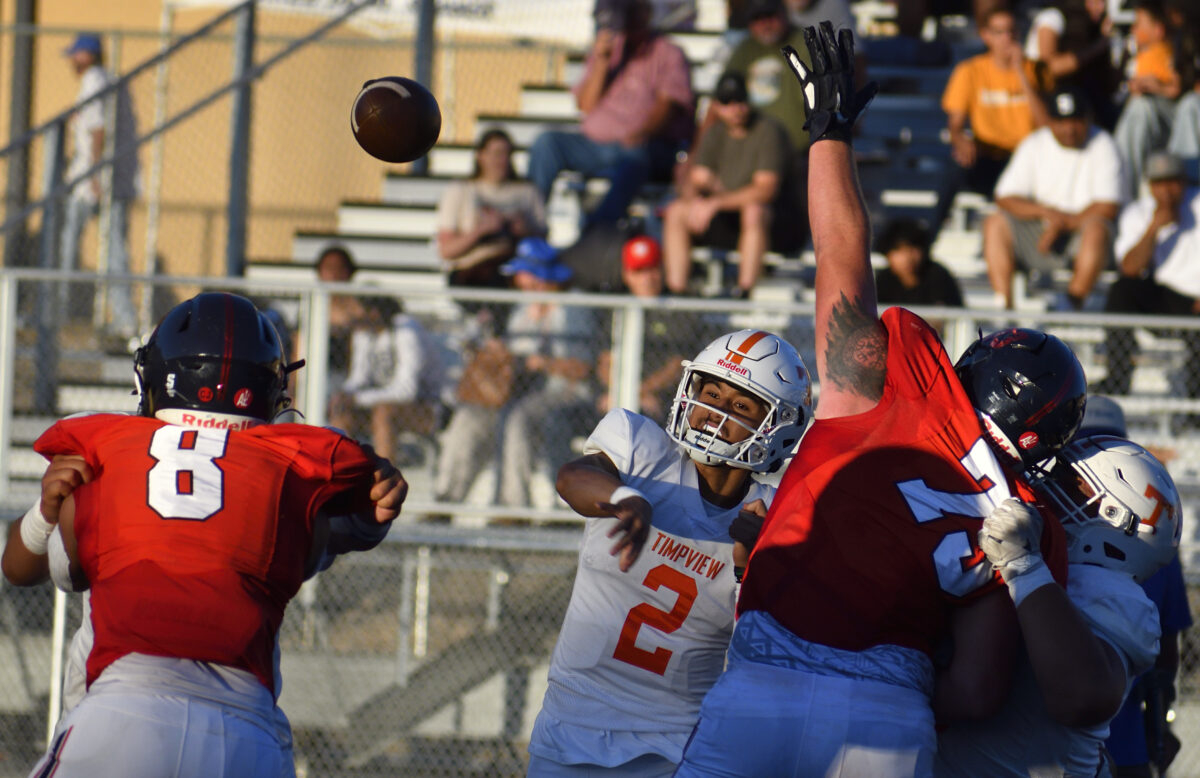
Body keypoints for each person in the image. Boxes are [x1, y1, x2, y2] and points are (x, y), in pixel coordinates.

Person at [674, 24, 1087, 777]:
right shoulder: (1023, 516)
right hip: (887, 713)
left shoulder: (877, 400)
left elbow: (840, 253)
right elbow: (977, 690)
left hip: (759, 686)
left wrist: (830, 133)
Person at [0, 292, 408, 777]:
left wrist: (49, 511)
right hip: (244, 727)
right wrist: (376, 496)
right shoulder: (288, 477)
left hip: (120, 711)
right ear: (271, 391)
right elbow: (346, 530)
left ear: (150, 378)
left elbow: (22, 568)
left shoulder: (108, 457)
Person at [527, 329, 813, 776]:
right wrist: (623, 497)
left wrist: (752, 562)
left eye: (739, 407)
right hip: (573, 730)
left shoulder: (774, 516)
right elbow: (572, 478)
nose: (714, 412)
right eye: (711, 392)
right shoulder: (640, 452)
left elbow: (772, 657)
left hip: (684, 745)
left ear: (778, 427)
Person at [936, 432, 1183, 777]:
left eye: (1071, 484)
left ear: (1115, 519)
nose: (1050, 489)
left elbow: (1082, 696)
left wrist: (1025, 567)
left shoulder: (1115, 595)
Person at [1078, 396, 1194, 778]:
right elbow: (1168, 650)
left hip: (1086, 736)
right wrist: (1159, 723)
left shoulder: (1053, 531)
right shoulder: (1155, 538)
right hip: (1121, 736)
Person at [527, 0, 693, 228]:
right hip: (594, 145)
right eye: (624, 14)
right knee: (547, 142)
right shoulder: (608, 50)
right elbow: (586, 105)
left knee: (636, 156)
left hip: (643, 147)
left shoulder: (668, 53)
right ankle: (530, 222)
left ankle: (599, 227)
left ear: (647, 13)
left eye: (632, 12)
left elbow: (668, 107)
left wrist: (642, 133)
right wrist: (602, 61)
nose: (628, 20)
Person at [983, 84, 1124, 310]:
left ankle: (1072, 304)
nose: (1068, 128)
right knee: (995, 222)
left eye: (1075, 120)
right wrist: (1047, 213)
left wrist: (1062, 223)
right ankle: (1003, 307)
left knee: (1097, 229)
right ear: (1050, 120)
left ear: (1088, 118)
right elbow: (1005, 197)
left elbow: (1108, 206)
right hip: (1040, 233)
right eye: (1061, 121)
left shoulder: (1104, 144)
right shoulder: (1035, 143)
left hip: (1081, 233)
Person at [662, 72, 790, 298]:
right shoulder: (714, 132)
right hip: (724, 219)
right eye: (727, 102)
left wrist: (716, 202)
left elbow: (765, 190)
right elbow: (697, 178)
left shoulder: (768, 130)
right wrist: (695, 200)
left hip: (774, 224)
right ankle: (677, 291)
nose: (735, 108)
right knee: (677, 211)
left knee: (754, 211)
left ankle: (745, 290)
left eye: (740, 100)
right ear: (717, 106)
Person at [1094, 151, 1200, 402]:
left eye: (1173, 182)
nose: (1167, 191)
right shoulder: (1138, 213)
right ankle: (1118, 377)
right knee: (1122, 289)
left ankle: (1194, 412)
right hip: (1168, 297)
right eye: (1159, 183)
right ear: (1150, 186)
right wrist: (1154, 228)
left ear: (1184, 182)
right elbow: (1130, 269)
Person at [60, 32, 140, 348]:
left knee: (74, 244)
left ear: (87, 55)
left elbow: (97, 129)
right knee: (112, 250)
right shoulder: (106, 80)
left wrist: (94, 173)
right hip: (105, 179)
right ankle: (123, 320)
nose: (72, 62)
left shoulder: (94, 79)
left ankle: (59, 310)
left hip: (93, 181)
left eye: (75, 55)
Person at [722, 0, 814, 250]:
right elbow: (720, 101)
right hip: (750, 158)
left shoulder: (804, 43)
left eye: (770, 15)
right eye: (757, 18)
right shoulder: (745, 49)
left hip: (798, 156)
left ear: (783, 13)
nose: (764, 23)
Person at [941, 7, 1048, 199]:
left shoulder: (1037, 70)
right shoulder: (969, 71)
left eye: (1012, 31)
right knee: (954, 167)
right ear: (986, 36)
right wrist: (960, 140)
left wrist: (1020, 73)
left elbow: (1045, 125)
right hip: (987, 155)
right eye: (999, 32)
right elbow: (955, 124)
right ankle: (930, 227)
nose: (1007, 38)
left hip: (1028, 157)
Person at [328, 295, 447, 463]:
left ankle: (385, 482)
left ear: (374, 313)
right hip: (378, 405)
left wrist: (357, 398)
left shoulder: (406, 328)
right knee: (342, 413)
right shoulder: (363, 333)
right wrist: (343, 395)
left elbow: (407, 391)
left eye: (357, 315)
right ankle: (341, 478)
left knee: (384, 413)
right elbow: (359, 378)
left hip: (427, 408)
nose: (353, 321)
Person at [435, 127, 546, 288]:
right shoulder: (461, 190)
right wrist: (481, 231)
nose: (502, 161)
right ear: (480, 156)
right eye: (496, 154)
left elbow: (543, 243)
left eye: (506, 154)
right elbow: (446, 251)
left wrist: (523, 231)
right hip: (471, 274)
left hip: (515, 272)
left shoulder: (527, 192)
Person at [1114, 0, 1182, 201]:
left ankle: (1126, 193)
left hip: (1165, 121)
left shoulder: (1169, 53)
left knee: (1140, 108)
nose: (1133, 29)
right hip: (1140, 123)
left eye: (1139, 24)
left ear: (1158, 30)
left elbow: (1176, 88)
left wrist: (1156, 87)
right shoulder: (1137, 57)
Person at [1024, 0, 1119, 131]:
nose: (1100, 8)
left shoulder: (1094, 25)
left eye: (1103, 2)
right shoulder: (1053, 17)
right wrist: (1098, 46)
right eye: (1094, 2)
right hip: (1039, 102)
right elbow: (1047, 69)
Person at [873, 217, 964, 308]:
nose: (907, 257)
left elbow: (943, 316)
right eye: (899, 250)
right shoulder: (883, 280)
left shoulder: (937, 275)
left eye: (912, 249)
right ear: (887, 254)